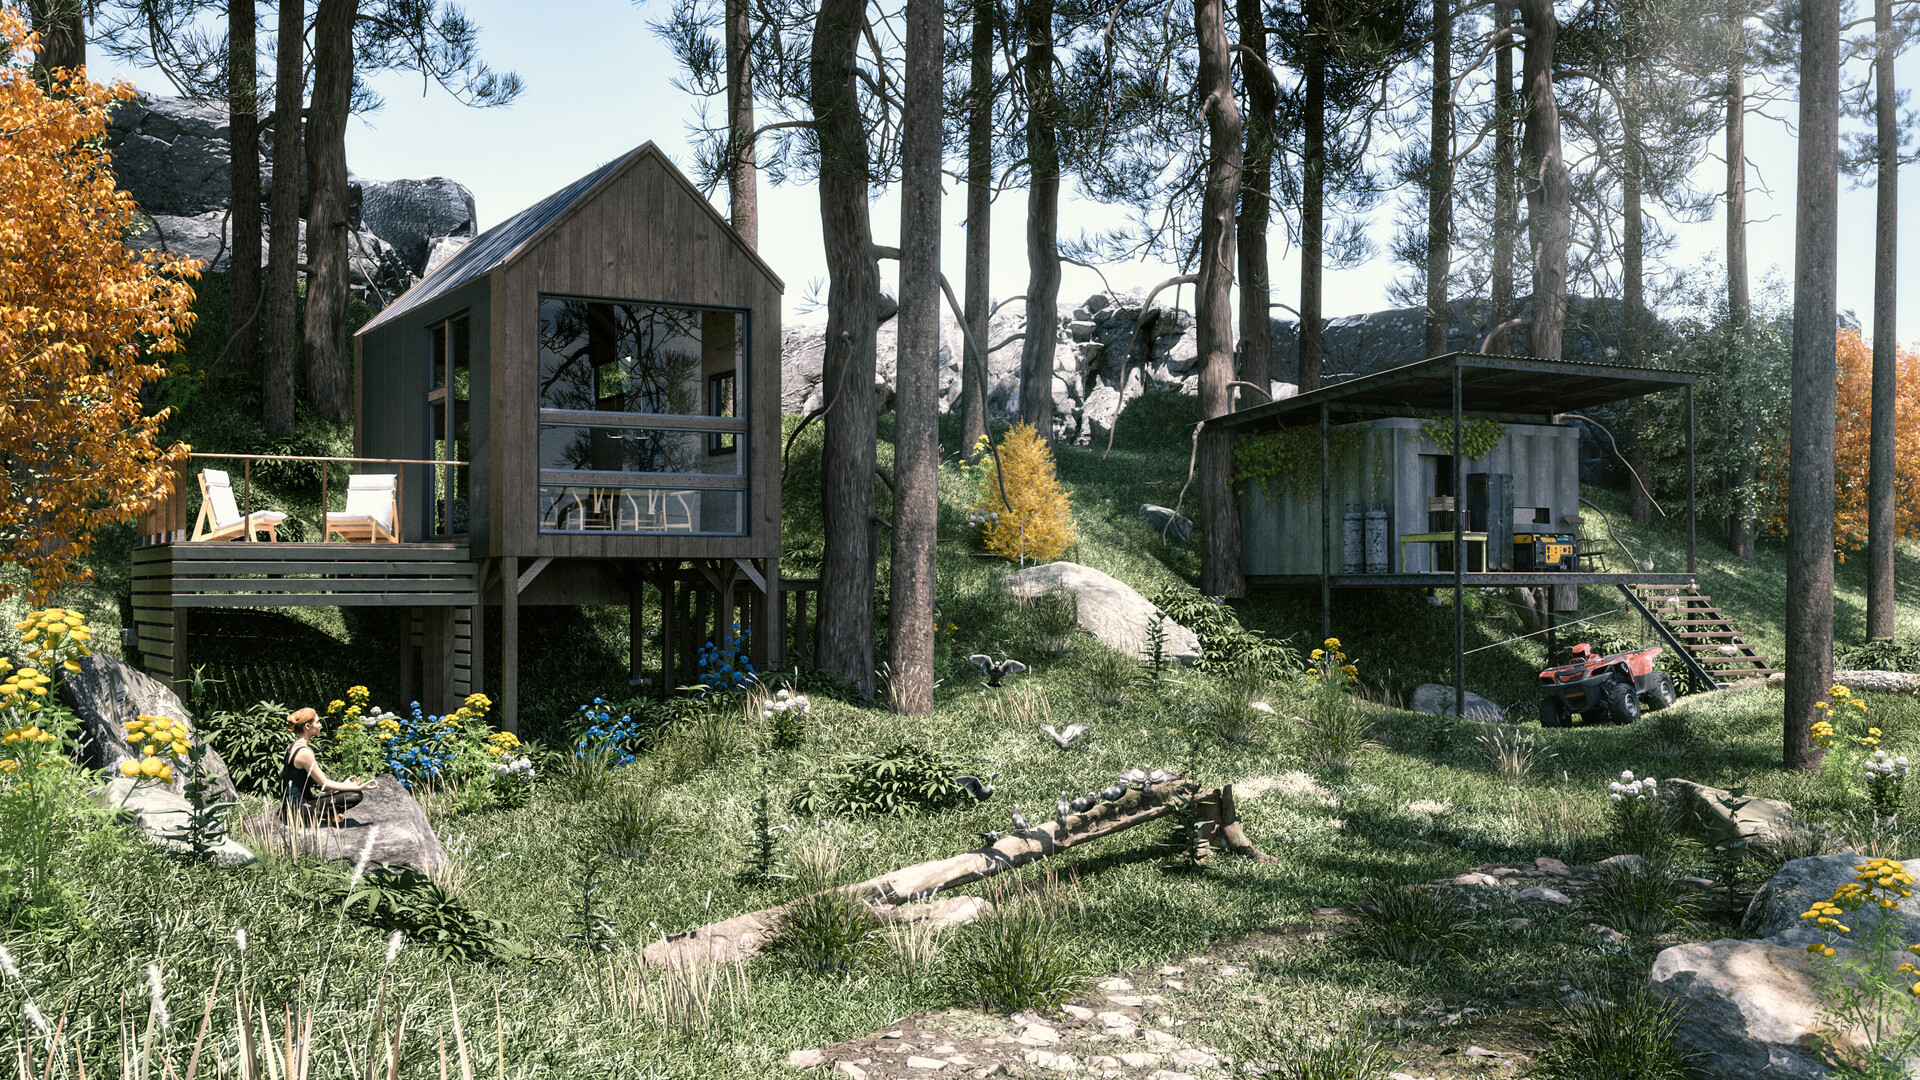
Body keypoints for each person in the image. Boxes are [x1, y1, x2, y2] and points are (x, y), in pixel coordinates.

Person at [281, 707, 377, 824]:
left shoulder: (290, 747)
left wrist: (344, 785)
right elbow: (325, 784)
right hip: (298, 810)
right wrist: (358, 787)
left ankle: (329, 815)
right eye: (317, 722)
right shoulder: (304, 753)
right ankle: (328, 815)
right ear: (307, 726)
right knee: (355, 794)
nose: (320, 725)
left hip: (290, 807)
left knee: (340, 792)